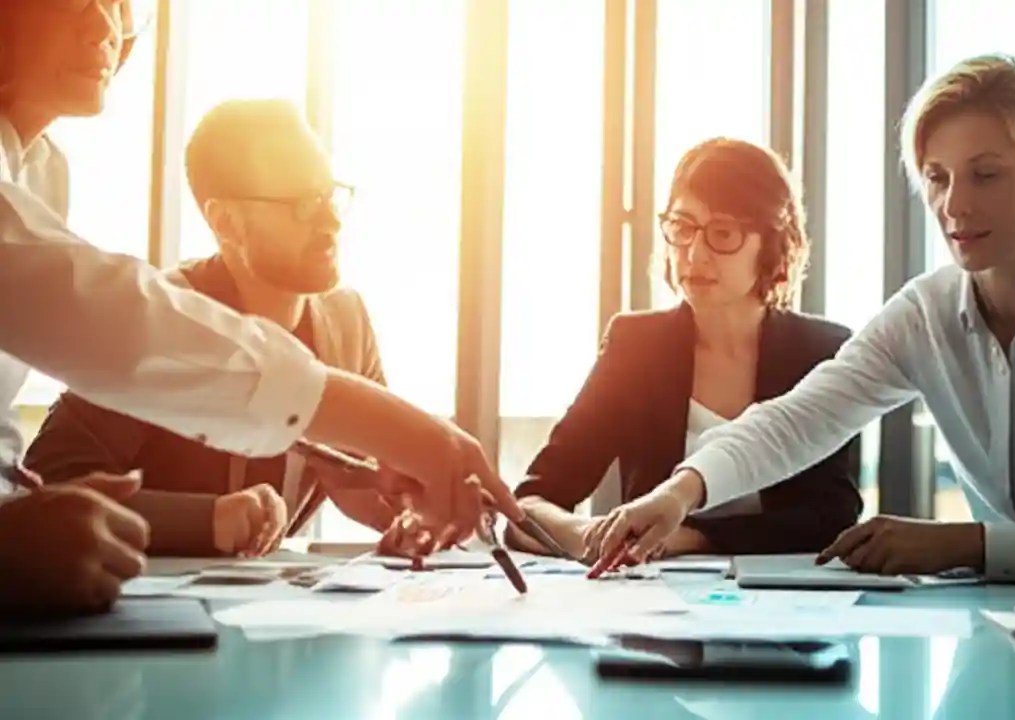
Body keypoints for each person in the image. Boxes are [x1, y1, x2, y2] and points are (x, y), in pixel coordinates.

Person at [583, 55, 1015, 581]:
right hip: (993, 628)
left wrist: (966, 544)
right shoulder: (925, 312)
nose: (955, 206)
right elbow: (797, 420)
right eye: (937, 178)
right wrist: (679, 492)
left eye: (986, 175)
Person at [0, 0, 520, 614]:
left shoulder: (40, 169)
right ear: (225, 222)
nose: (105, 27)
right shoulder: (181, 305)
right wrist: (404, 431)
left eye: (116, 3)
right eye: (299, 202)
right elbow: (115, 323)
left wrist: (389, 486)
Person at [23, 99, 411, 557]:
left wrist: (395, 506)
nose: (331, 221)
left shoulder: (347, 319)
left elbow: (367, 477)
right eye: (303, 204)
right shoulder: (160, 320)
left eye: (330, 195)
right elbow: (48, 487)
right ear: (225, 222)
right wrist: (205, 520)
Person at [506, 138, 861, 560]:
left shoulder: (821, 350)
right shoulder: (636, 346)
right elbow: (529, 503)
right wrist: (588, 535)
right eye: (682, 227)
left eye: (722, 233)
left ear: (770, 243)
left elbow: (831, 520)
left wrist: (692, 538)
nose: (694, 254)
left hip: (783, 602)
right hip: (655, 600)